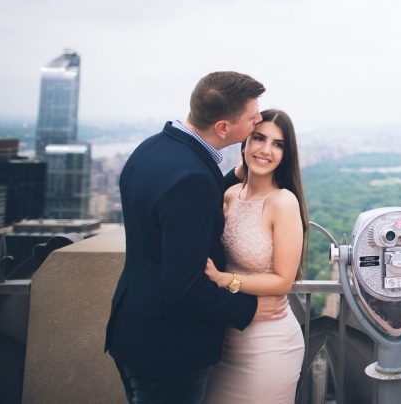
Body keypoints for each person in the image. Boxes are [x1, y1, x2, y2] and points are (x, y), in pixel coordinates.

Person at [105, 72, 289, 404]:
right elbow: (184, 288)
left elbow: (175, 208)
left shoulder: (152, 149)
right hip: (169, 348)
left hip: (131, 328)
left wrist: (234, 175)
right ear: (223, 128)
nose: (258, 120)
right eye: (252, 118)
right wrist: (247, 309)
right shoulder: (192, 180)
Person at [202, 108, 309, 404]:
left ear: (286, 155)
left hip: (268, 344)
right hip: (224, 338)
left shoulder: (283, 202)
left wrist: (225, 280)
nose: (265, 150)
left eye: (278, 144)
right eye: (258, 138)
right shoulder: (229, 195)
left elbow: (283, 281)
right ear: (245, 143)